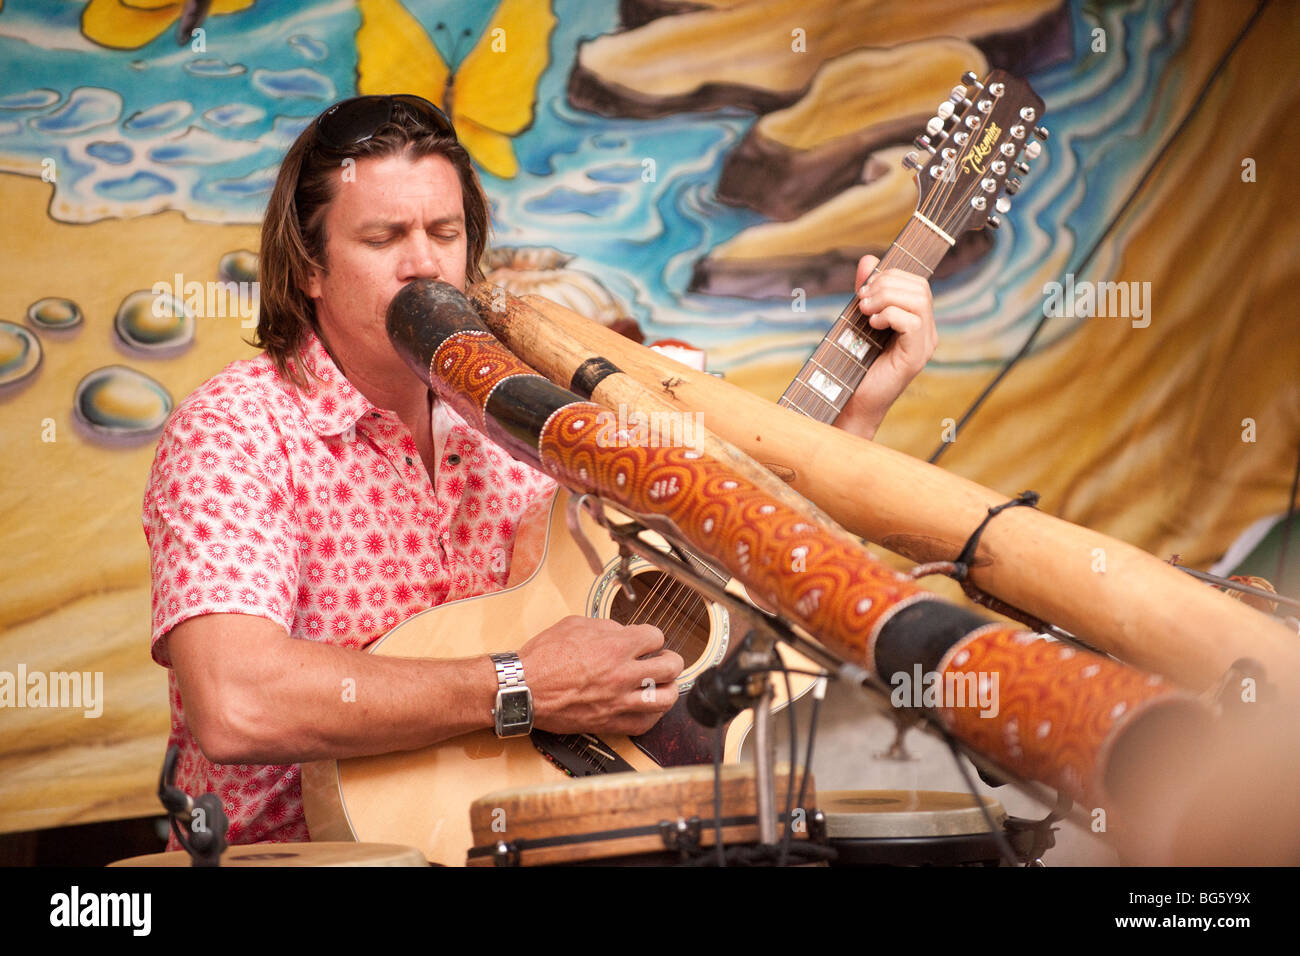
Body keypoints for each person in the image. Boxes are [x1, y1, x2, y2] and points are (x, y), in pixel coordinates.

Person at [142, 94, 937, 847]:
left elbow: (731, 555)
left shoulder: (533, 400)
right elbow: (236, 702)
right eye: (383, 239)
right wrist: (518, 686)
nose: (423, 265)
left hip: (543, 829)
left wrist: (858, 414)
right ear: (309, 266)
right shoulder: (234, 430)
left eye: (444, 233)